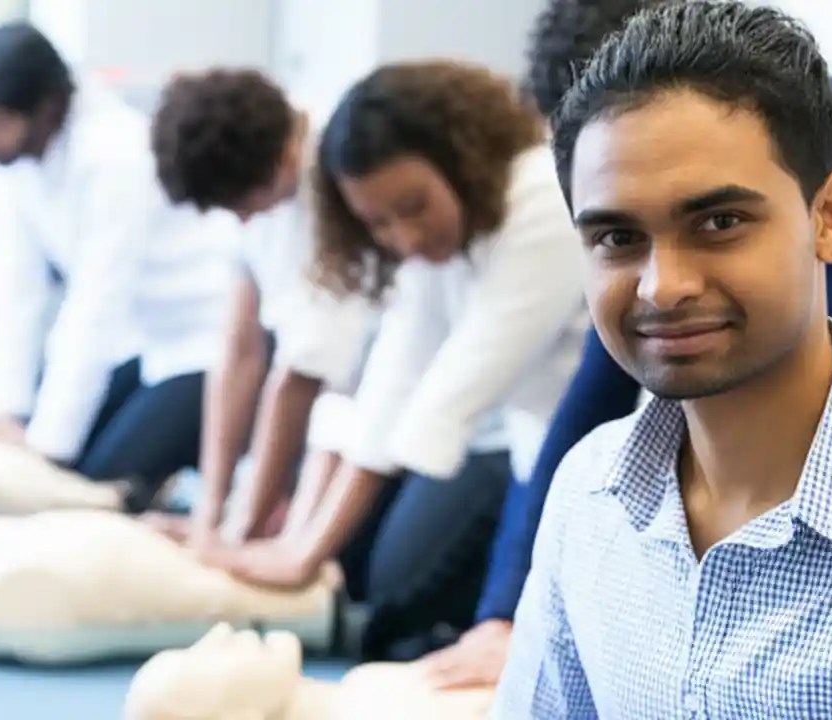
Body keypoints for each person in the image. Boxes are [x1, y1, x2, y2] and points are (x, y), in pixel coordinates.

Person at [423, 0, 832, 691]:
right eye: (616, 234)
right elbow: (600, 386)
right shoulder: (590, 493)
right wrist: (506, 611)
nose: (663, 287)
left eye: (719, 221)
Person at [213, 61, 588, 661]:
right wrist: (296, 544)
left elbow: (453, 390)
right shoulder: (436, 244)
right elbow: (392, 378)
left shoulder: (541, 199)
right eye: (378, 223)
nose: (405, 238)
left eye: (414, 207)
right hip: (513, 447)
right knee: (366, 564)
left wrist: (304, 554)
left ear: (460, 161)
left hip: (555, 455)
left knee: (391, 588)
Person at [0, 22, 241, 511]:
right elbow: (13, 289)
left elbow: (95, 307)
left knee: (82, 486)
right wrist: (5, 416)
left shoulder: (115, 154)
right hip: (143, 345)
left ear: (46, 110)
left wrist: (42, 454)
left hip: (205, 345)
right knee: (56, 456)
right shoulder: (16, 157)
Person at [146, 69, 375, 550]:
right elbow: (238, 349)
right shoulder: (255, 177)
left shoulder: (336, 172)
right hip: (327, 402)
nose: (244, 219)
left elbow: (300, 377)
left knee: (357, 560)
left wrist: (236, 531)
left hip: (376, 400)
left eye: (243, 205)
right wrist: (212, 509)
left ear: (283, 159)